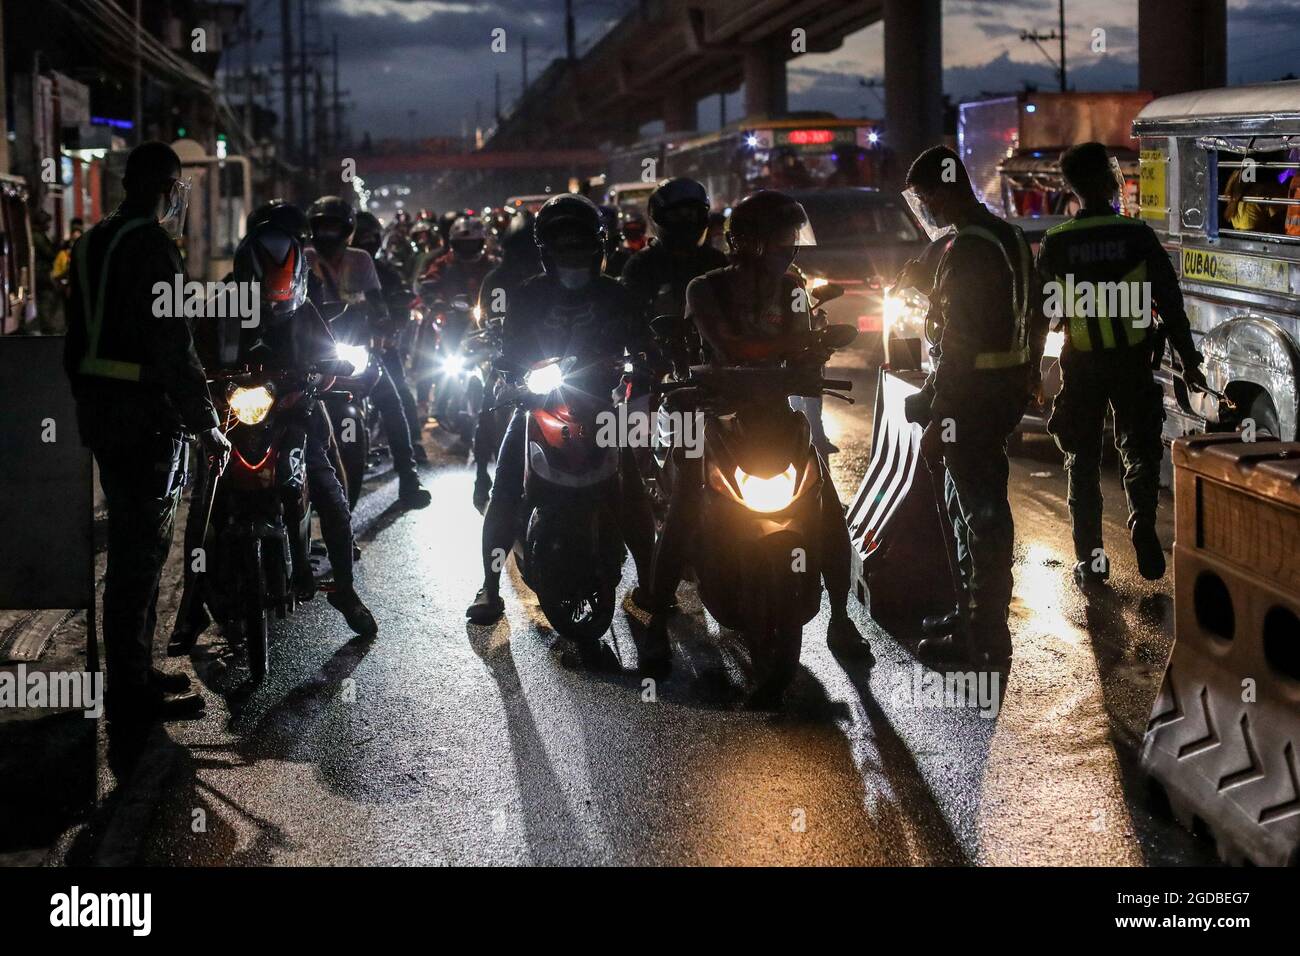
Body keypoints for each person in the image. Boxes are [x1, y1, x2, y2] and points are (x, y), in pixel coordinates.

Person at [644, 190, 873, 667]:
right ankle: (657, 626)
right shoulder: (705, 289)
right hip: (711, 413)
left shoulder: (791, 285)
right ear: (747, 242)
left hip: (774, 412)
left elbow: (798, 341)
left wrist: (815, 350)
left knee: (826, 506)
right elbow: (727, 347)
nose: (789, 248)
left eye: (792, 239)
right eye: (779, 240)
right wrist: (784, 357)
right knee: (686, 504)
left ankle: (840, 618)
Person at [63, 141, 226, 722]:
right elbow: (173, 344)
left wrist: (89, 402)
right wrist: (206, 420)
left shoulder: (90, 243)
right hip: (145, 417)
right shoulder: (154, 245)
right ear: (165, 188)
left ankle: (135, 670)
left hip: (103, 417)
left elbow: (74, 341)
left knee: (137, 547)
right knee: (141, 552)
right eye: (177, 188)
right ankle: (129, 691)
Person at [170, 222, 378, 649]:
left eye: (280, 299)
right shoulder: (217, 310)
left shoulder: (304, 313)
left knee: (332, 497)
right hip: (229, 423)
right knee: (202, 507)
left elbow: (332, 354)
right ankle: (189, 611)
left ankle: (345, 588)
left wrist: (331, 371)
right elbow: (191, 360)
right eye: (265, 299)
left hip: (293, 417)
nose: (272, 308)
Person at [466, 194, 657, 624]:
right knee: (506, 488)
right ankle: (489, 587)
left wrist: (643, 367)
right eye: (563, 244)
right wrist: (511, 372)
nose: (572, 253)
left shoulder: (616, 294)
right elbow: (510, 350)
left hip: (601, 407)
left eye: (580, 243)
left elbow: (643, 345)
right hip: (539, 404)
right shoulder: (528, 295)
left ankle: (651, 583)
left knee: (631, 492)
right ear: (546, 251)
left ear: (598, 246)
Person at [1038, 142, 1206, 587]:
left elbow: (1039, 315)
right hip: (1132, 362)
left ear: (1070, 188)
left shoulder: (1056, 242)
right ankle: (1141, 521)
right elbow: (1171, 304)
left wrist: (1027, 376)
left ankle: (1091, 560)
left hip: (1083, 366)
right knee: (1139, 449)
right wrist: (1190, 363)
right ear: (1114, 181)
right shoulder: (1138, 236)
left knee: (1083, 460)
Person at [901, 146, 1039, 669]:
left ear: (942, 191)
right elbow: (1026, 314)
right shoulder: (1005, 236)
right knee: (970, 506)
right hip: (1001, 391)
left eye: (924, 198)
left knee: (977, 513)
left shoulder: (969, 250)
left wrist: (941, 415)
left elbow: (960, 342)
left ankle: (982, 636)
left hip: (974, 398)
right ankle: (970, 612)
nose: (924, 209)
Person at [306, 196, 431, 509]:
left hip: (358, 344)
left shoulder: (361, 260)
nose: (329, 233)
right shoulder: (303, 258)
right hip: (315, 349)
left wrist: (384, 328)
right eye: (323, 226)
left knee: (393, 398)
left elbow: (377, 303)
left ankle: (408, 477)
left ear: (348, 229)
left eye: (335, 226)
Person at [472, 207, 542, 510]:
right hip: (510, 360)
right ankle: (481, 476)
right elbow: (484, 318)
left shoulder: (550, 279)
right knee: (488, 407)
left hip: (550, 361)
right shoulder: (497, 279)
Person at [353, 210, 427, 461]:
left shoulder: (385, 272)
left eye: (370, 236)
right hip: (335, 346)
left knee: (397, 394)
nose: (365, 241)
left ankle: (410, 459)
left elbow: (400, 303)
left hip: (376, 345)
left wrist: (391, 329)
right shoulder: (318, 270)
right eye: (359, 236)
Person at [417, 214, 499, 413]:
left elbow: (507, 286)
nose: (468, 249)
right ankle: (424, 398)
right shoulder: (444, 263)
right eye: (463, 245)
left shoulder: (493, 263)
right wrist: (436, 301)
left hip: (485, 320)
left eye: (472, 244)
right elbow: (427, 283)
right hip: (452, 319)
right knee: (429, 346)